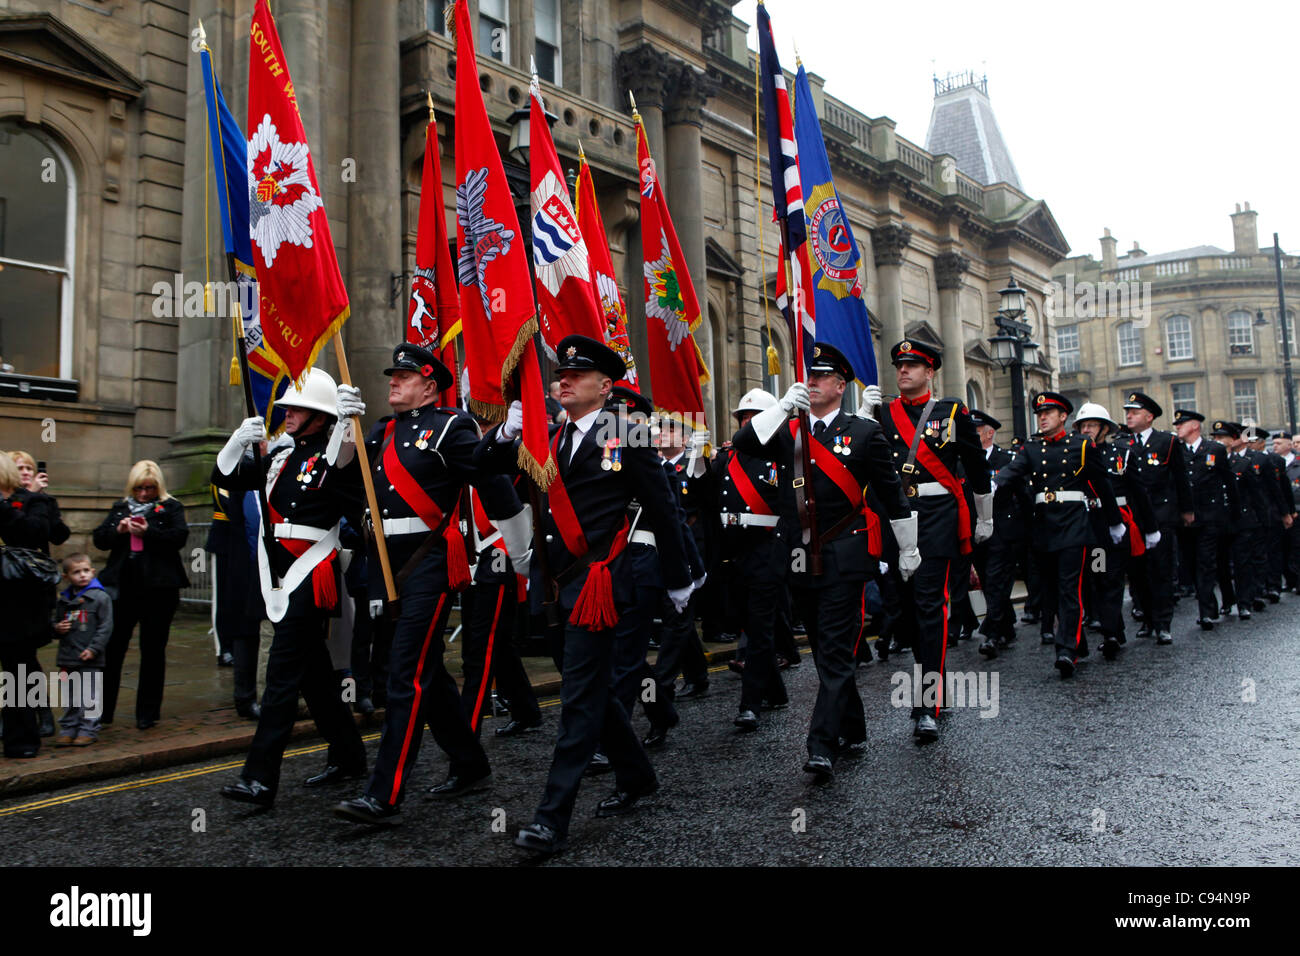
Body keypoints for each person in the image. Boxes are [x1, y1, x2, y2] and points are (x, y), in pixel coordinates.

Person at [477, 334, 693, 855]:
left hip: (601, 583)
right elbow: (482, 469)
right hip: (554, 586)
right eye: (560, 375)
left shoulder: (628, 434)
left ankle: (551, 818)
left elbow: (664, 508)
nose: (563, 381)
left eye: (577, 375)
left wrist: (680, 576)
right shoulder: (545, 438)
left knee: (576, 700)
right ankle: (637, 774)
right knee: (592, 689)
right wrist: (505, 432)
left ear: (604, 386)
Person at [333, 344, 530, 825]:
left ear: (429, 384)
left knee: (405, 676)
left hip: (430, 563)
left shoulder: (450, 427)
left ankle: (385, 793)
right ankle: (469, 761)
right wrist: (342, 427)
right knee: (430, 675)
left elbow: (486, 469)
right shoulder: (378, 432)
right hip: (387, 564)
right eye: (391, 376)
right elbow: (340, 476)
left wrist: (504, 436)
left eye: (403, 376)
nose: (393, 382)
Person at [739, 341, 910, 771]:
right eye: (808, 377)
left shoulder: (865, 432)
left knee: (835, 651)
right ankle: (853, 726)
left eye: (819, 378)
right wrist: (780, 407)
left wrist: (908, 546)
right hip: (797, 556)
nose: (810, 383)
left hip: (844, 553)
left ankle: (821, 744)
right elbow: (744, 443)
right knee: (821, 649)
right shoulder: (788, 429)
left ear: (840, 385)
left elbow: (891, 495)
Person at [215, 368, 368, 808]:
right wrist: (236, 443)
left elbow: (345, 470)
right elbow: (226, 479)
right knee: (315, 679)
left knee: (280, 680)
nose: (288, 414)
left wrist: (346, 425)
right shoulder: (281, 457)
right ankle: (349, 753)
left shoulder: (333, 453)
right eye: (287, 407)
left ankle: (260, 778)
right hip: (277, 577)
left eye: (298, 408)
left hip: (310, 575)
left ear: (319, 417)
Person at [861, 340, 990, 742]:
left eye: (913, 365)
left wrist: (983, 517)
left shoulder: (952, 411)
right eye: (899, 365)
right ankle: (938, 684)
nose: (903, 371)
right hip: (896, 521)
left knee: (930, 608)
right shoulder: (882, 414)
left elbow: (975, 467)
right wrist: (861, 419)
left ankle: (927, 705)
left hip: (938, 520)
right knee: (905, 615)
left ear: (930, 371)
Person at [994, 393, 1124, 673]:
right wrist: (993, 484)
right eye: (1040, 413)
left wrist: (1114, 522)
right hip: (1043, 526)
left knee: (1069, 590)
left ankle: (1066, 650)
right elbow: (1012, 471)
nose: (1042, 417)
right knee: (1050, 589)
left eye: (1048, 413)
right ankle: (1078, 642)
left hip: (1074, 524)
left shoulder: (1082, 446)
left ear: (1063, 417)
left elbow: (1103, 485)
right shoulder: (1031, 449)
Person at [93, 460, 189, 729]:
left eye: (149, 488)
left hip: (159, 589)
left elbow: (179, 537)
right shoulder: (120, 507)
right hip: (122, 588)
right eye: (139, 489)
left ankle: (147, 712)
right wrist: (118, 530)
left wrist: (150, 531)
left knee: (153, 650)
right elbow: (99, 538)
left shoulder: (171, 507)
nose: (144, 494)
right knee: (112, 650)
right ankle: (104, 711)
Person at [714, 389, 790, 728]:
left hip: (767, 548)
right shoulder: (725, 457)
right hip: (733, 551)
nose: (747, 423)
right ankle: (775, 691)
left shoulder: (783, 456)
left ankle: (750, 704)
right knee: (748, 621)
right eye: (743, 418)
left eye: (754, 417)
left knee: (758, 631)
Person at [1073, 404, 1157, 659]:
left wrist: (1150, 529)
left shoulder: (1122, 453)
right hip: (1092, 525)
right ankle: (1113, 631)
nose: (1086, 430)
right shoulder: (1074, 454)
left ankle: (1148, 620)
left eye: (1092, 426)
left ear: (1104, 428)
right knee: (1100, 577)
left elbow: (1139, 492)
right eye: (1083, 426)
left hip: (1119, 525)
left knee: (1123, 578)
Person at [0, 453, 62, 757]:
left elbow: (35, 533)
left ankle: (23, 739)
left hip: (21, 601)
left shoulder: (33, 500)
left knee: (18, 669)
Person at [1121, 392, 1193, 644]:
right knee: (1138, 573)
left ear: (1149, 416)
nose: (1129, 415)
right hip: (1133, 519)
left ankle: (1163, 623)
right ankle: (1148, 620)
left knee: (1161, 571)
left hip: (1161, 515)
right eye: (1127, 412)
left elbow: (1181, 478)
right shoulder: (1123, 444)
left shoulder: (1167, 442)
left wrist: (1186, 510)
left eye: (1135, 412)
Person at [969, 411, 1030, 659]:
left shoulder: (1007, 459)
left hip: (1002, 529)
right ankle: (1006, 625)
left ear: (989, 433)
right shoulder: (966, 460)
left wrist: (1028, 529)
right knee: (987, 579)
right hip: (976, 530)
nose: (972, 434)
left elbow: (1023, 495)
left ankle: (991, 634)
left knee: (995, 579)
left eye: (976, 430)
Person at [1174, 409, 1237, 630]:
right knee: (1190, 564)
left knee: (1206, 563)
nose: (1177, 427)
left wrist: (1232, 516)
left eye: (1181, 424)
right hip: (1185, 519)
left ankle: (1207, 611)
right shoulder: (1176, 450)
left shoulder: (1215, 450)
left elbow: (1229, 483)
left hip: (1210, 517)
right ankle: (1207, 603)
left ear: (1194, 426)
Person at [206, 483, 265, 719]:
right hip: (241, 559)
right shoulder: (237, 477)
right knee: (243, 628)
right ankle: (244, 695)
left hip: (270, 562)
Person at [51, 554, 113, 746]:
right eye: (76, 572)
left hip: (89, 657)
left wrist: (94, 649)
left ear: (92, 572)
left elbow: (106, 627)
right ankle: (69, 728)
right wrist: (56, 628)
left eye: (86, 571)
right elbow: (56, 622)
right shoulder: (63, 600)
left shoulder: (100, 597)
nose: (82, 575)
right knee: (70, 696)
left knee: (90, 696)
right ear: (66, 577)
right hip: (67, 658)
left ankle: (88, 729)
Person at [1217, 421, 1267, 619]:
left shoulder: (1243, 464)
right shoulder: (1211, 462)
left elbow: (1256, 496)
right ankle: (1227, 600)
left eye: (1222, 438)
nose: (1218, 441)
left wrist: (1262, 521)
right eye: (1216, 438)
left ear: (1234, 441)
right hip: (1220, 520)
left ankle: (1244, 602)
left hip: (1241, 520)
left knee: (1242, 563)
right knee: (1221, 564)